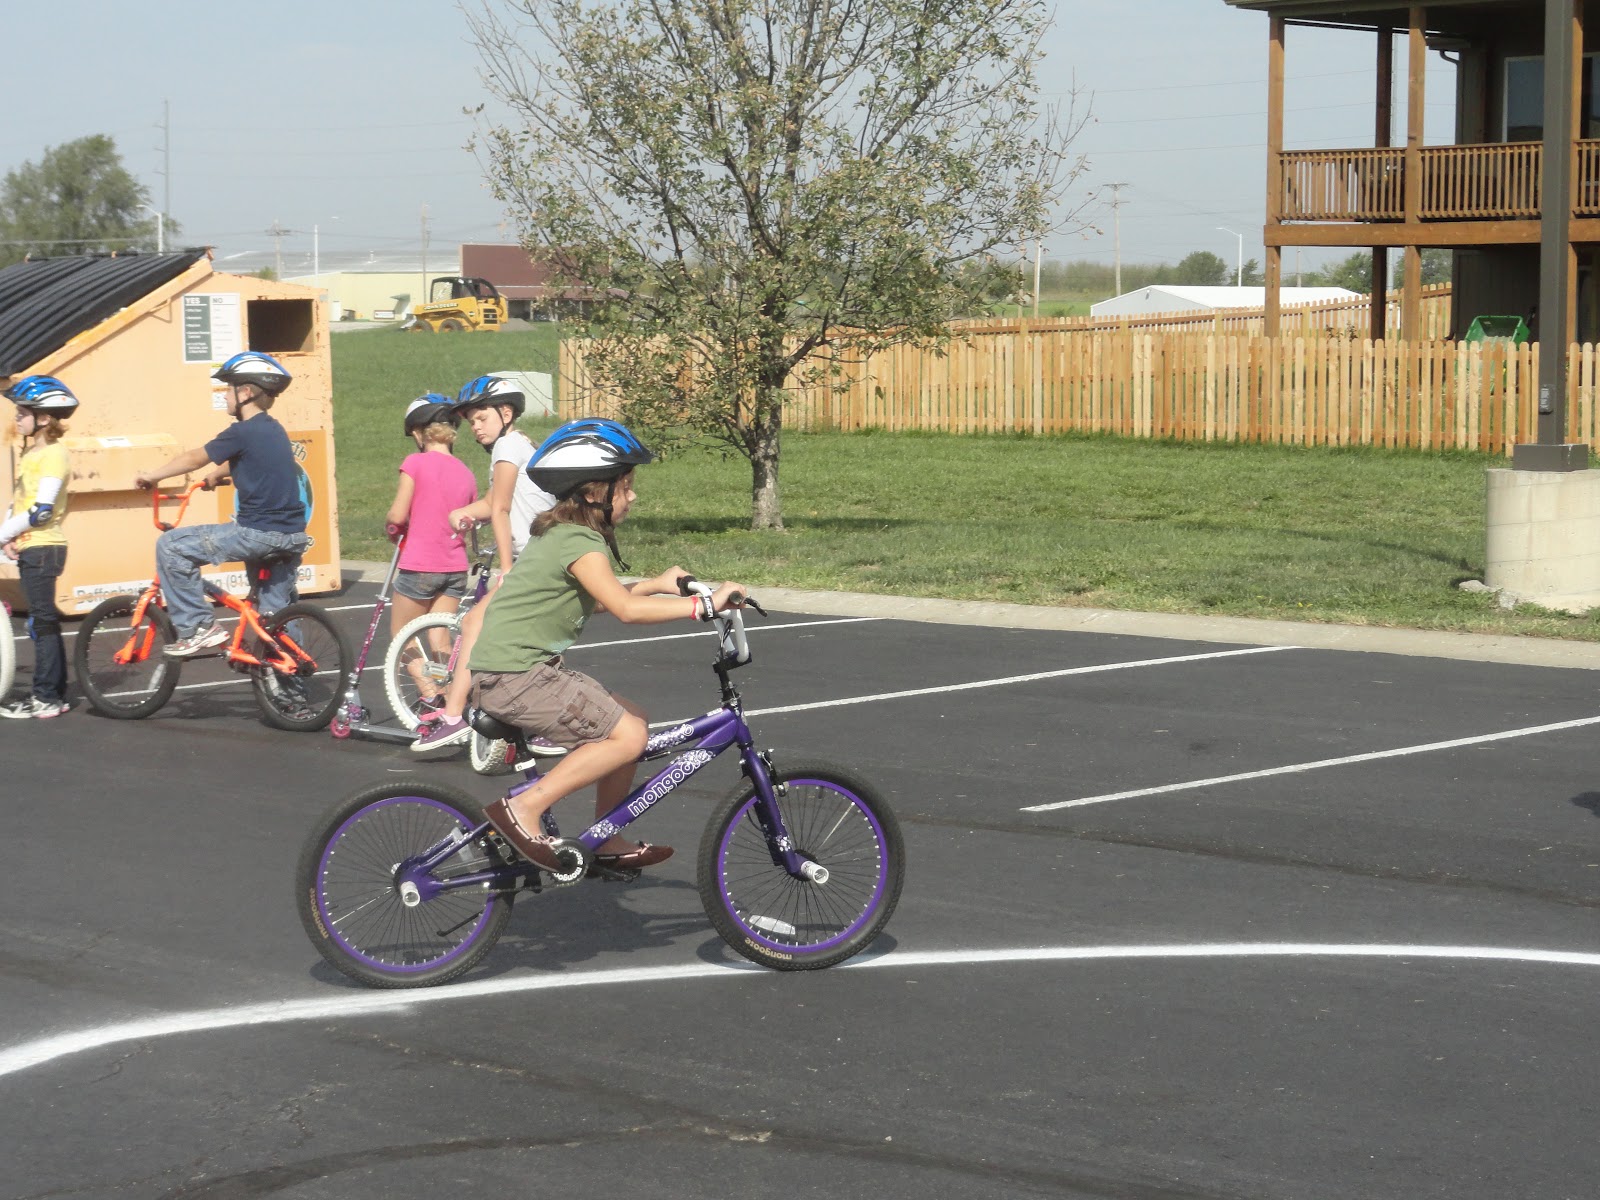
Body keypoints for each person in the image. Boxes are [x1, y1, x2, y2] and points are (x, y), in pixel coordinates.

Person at [467, 418, 745, 871]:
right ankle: (523, 809)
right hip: (517, 677)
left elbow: (600, 600)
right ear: (596, 491)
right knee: (628, 735)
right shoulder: (578, 541)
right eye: (626, 486)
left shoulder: (564, 534)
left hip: (520, 672)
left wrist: (655, 584)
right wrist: (705, 605)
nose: (632, 496)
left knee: (634, 718)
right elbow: (624, 610)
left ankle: (605, 836)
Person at [410, 374, 558, 751]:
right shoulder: (518, 443)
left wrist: (506, 568)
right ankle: (544, 723)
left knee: (475, 624)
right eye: (471, 420)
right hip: (544, 555)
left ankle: (454, 716)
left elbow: (501, 508)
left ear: (505, 413)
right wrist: (463, 513)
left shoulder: (507, 446)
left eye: (481, 418)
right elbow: (493, 502)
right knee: (530, 644)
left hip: (532, 559)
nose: (475, 427)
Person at [133, 351, 309, 657]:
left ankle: (198, 627)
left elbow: (194, 458)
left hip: (257, 533)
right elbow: (254, 458)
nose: (224, 396)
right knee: (273, 613)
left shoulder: (241, 431)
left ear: (246, 392)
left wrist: (152, 476)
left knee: (171, 546)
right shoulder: (273, 429)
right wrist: (218, 473)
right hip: (292, 535)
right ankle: (291, 674)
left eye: (228, 389)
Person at [385, 394, 479, 703]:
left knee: (403, 636)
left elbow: (398, 515)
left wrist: (392, 528)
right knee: (440, 638)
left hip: (420, 565)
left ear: (418, 432)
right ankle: (449, 697)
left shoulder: (415, 463)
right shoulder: (466, 472)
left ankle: (430, 695)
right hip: (454, 567)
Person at [0, 375, 78, 718]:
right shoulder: (33, 452)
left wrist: (3, 534)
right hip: (33, 545)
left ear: (44, 418)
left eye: (22, 413)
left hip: (44, 547)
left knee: (42, 623)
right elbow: (20, 501)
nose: (16, 418)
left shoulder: (54, 455)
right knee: (43, 623)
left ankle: (45, 698)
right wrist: (9, 537)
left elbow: (41, 510)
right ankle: (53, 695)